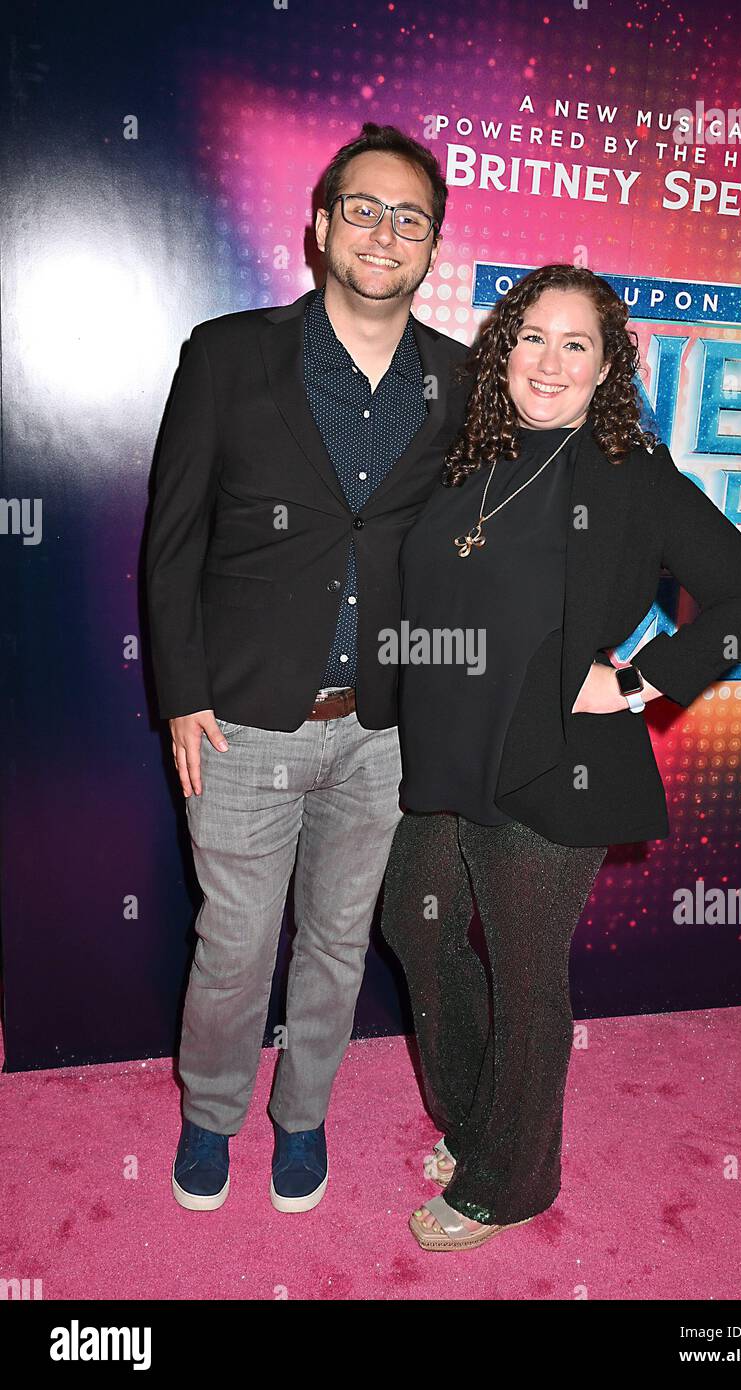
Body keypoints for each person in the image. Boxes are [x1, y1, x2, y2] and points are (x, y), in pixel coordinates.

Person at [378, 263, 741, 1252]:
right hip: (445, 753)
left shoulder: (630, 473)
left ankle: (509, 1182)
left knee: (524, 974)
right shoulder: (461, 456)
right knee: (417, 930)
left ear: (606, 368)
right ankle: (475, 1121)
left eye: (577, 344)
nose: (549, 361)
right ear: (502, 349)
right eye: (533, 337)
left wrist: (637, 680)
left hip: (557, 766)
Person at [145, 123, 471, 1213]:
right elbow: (174, 535)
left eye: (410, 218)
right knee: (234, 946)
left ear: (433, 250)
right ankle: (208, 1113)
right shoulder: (230, 354)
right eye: (365, 209)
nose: (386, 233)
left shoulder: (462, 382)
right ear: (322, 226)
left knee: (337, 942)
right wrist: (181, 692)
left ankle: (304, 1115)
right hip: (244, 722)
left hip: (382, 727)